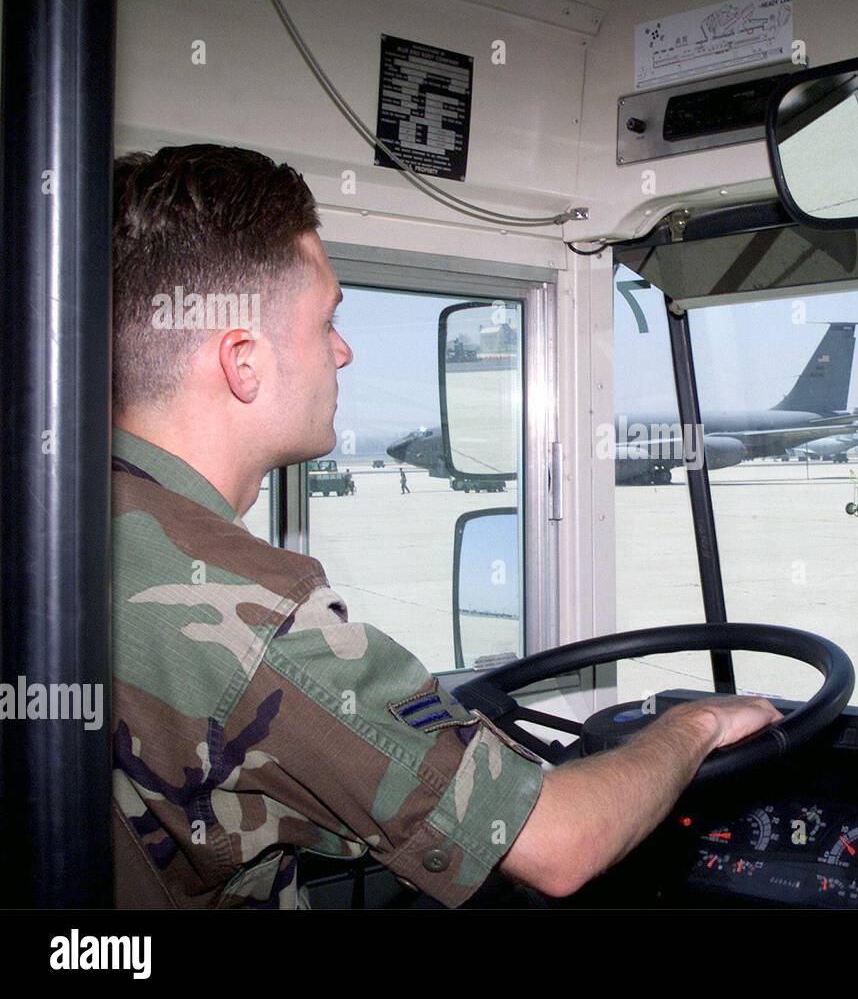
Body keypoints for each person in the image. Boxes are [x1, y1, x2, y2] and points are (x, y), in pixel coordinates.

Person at [110, 144, 781, 908]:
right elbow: (561, 845)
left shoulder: (72, 523)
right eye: (326, 320)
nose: (344, 349)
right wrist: (694, 725)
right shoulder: (251, 617)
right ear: (243, 362)